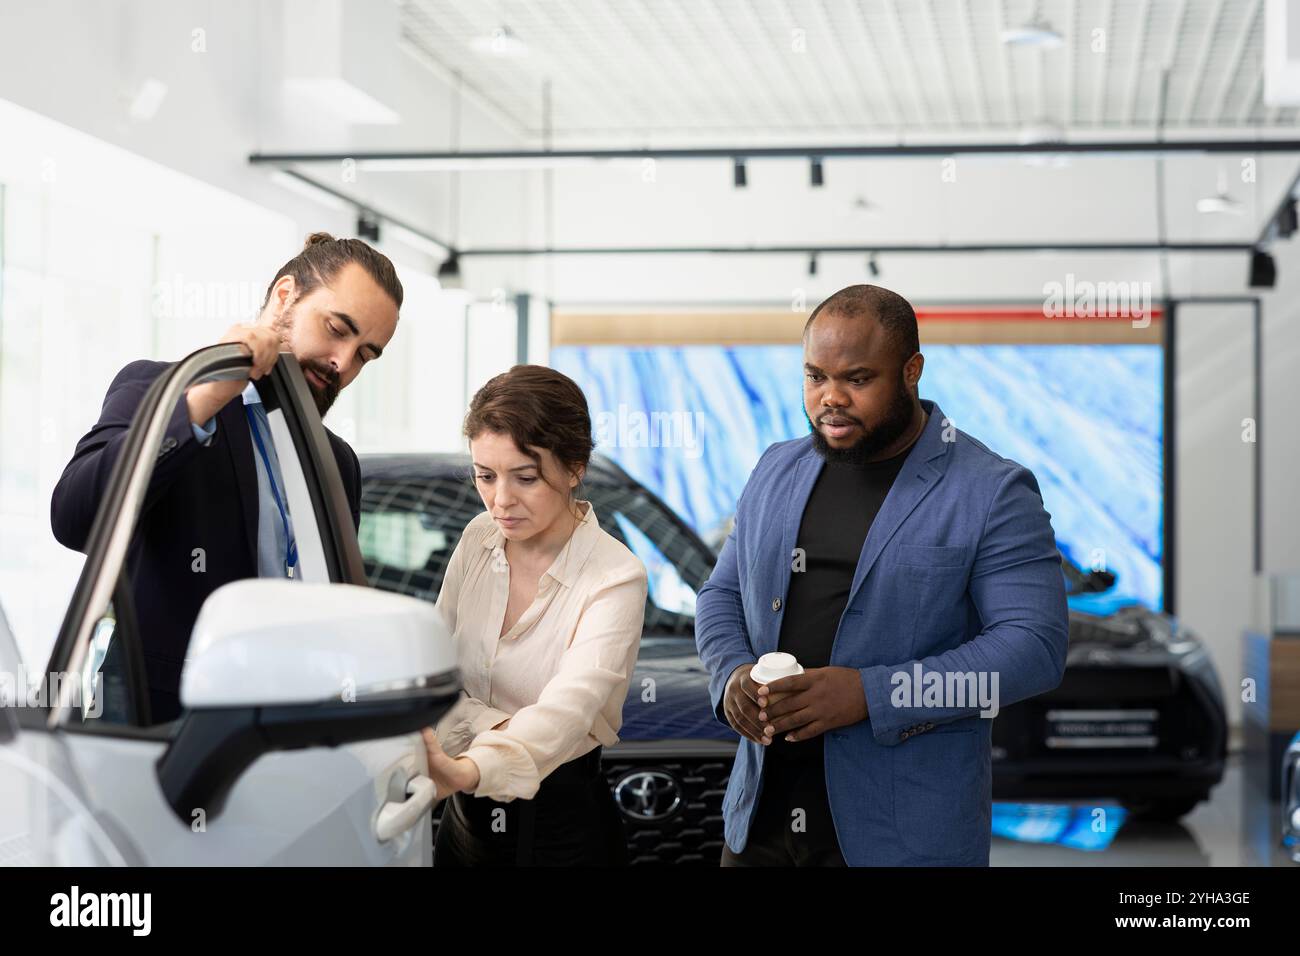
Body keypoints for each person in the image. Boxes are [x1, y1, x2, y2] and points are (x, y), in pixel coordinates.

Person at [695, 284, 1069, 866]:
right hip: (760, 823)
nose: (831, 398)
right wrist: (731, 674)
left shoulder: (991, 489)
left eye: (858, 379)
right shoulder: (775, 467)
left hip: (903, 838)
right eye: (815, 376)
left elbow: (1032, 649)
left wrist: (871, 695)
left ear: (912, 370)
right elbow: (720, 593)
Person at [50, 232, 402, 723]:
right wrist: (200, 404)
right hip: (162, 733)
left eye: (365, 353)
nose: (343, 363)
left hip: (293, 735)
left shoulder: (337, 463)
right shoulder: (160, 388)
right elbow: (75, 518)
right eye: (337, 329)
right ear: (285, 296)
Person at [420, 364, 648, 866]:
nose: (501, 501)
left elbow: (568, 711)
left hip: (561, 833)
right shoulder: (479, 538)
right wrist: (493, 731)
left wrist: (469, 755)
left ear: (574, 468)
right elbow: (434, 672)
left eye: (525, 477)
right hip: (463, 823)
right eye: (485, 475)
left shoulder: (615, 575)